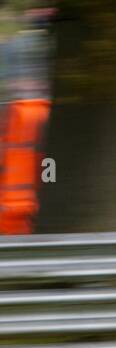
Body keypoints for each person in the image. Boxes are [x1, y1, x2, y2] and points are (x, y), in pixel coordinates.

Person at [0, 83, 50, 235]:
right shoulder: (45, 114)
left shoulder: (16, 117)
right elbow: (50, 170)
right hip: (34, 209)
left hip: (10, 212)